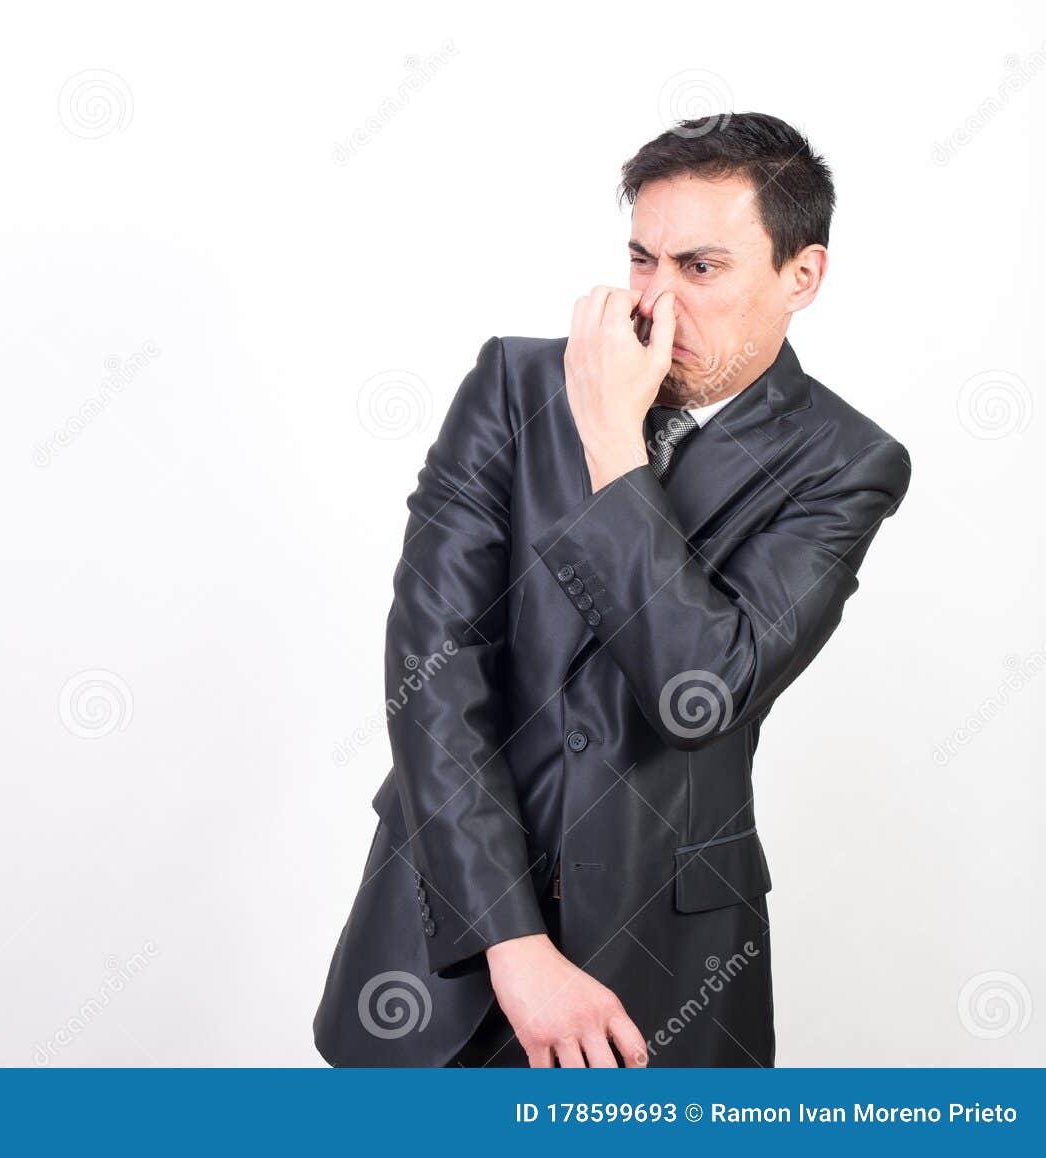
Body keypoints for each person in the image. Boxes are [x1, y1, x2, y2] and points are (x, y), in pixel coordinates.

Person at [313, 112, 911, 1067]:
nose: (654, 304)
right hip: (444, 942)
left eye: (700, 269)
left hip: (667, 958)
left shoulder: (846, 464)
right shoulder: (514, 383)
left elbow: (698, 689)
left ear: (802, 276)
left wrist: (610, 444)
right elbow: (434, 672)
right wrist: (512, 945)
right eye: (642, 260)